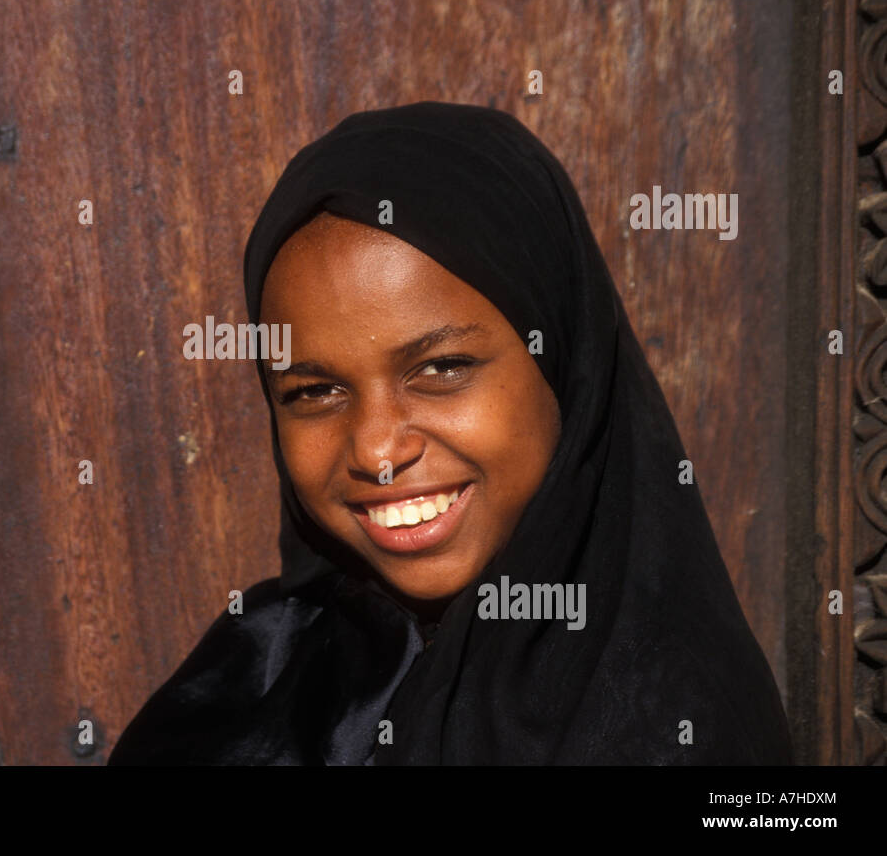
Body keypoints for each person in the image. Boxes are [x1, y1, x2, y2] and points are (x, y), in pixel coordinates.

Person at [108, 102, 793, 765]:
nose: (377, 449)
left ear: (564, 365)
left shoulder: (679, 722)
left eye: (441, 367)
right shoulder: (254, 675)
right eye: (316, 391)